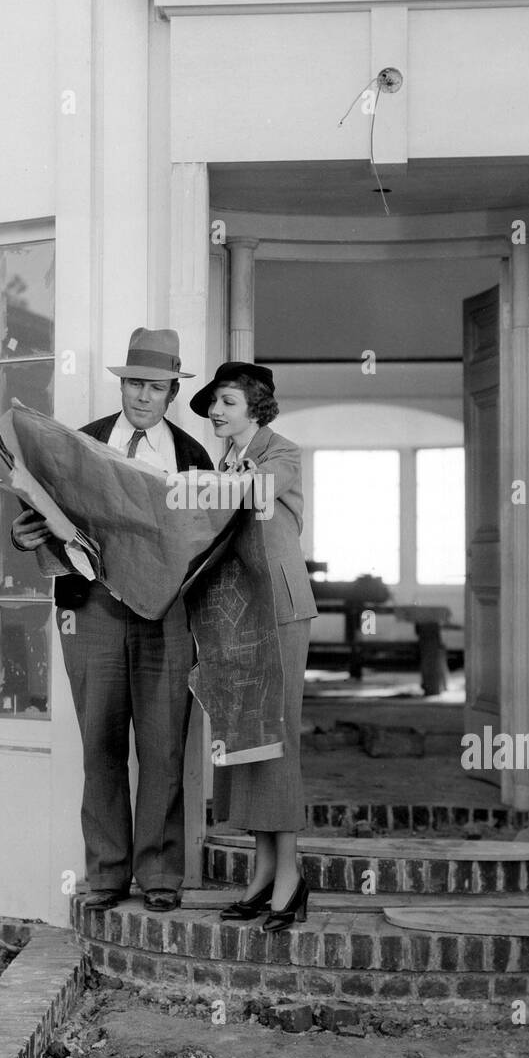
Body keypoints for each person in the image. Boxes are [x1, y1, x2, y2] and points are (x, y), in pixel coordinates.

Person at [12, 328, 213, 913]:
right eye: (133, 384)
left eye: (155, 387)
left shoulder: (193, 458)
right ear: (121, 384)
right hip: (92, 610)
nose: (142, 396)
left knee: (163, 747)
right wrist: (24, 534)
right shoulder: (80, 444)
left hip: (167, 614)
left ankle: (159, 878)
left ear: (173, 392)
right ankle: (106, 877)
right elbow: (38, 517)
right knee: (100, 741)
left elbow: (209, 543)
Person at [188, 362, 317, 933]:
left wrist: (183, 486)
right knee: (250, 737)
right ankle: (264, 874)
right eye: (215, 402)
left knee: (279, 735)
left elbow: (252, 491)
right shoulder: (225, 461)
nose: (217, 411)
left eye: (228, 402)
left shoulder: (280, 455)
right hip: (240, 616)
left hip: (282, 611)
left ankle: (290, 878)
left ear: (257, 407)